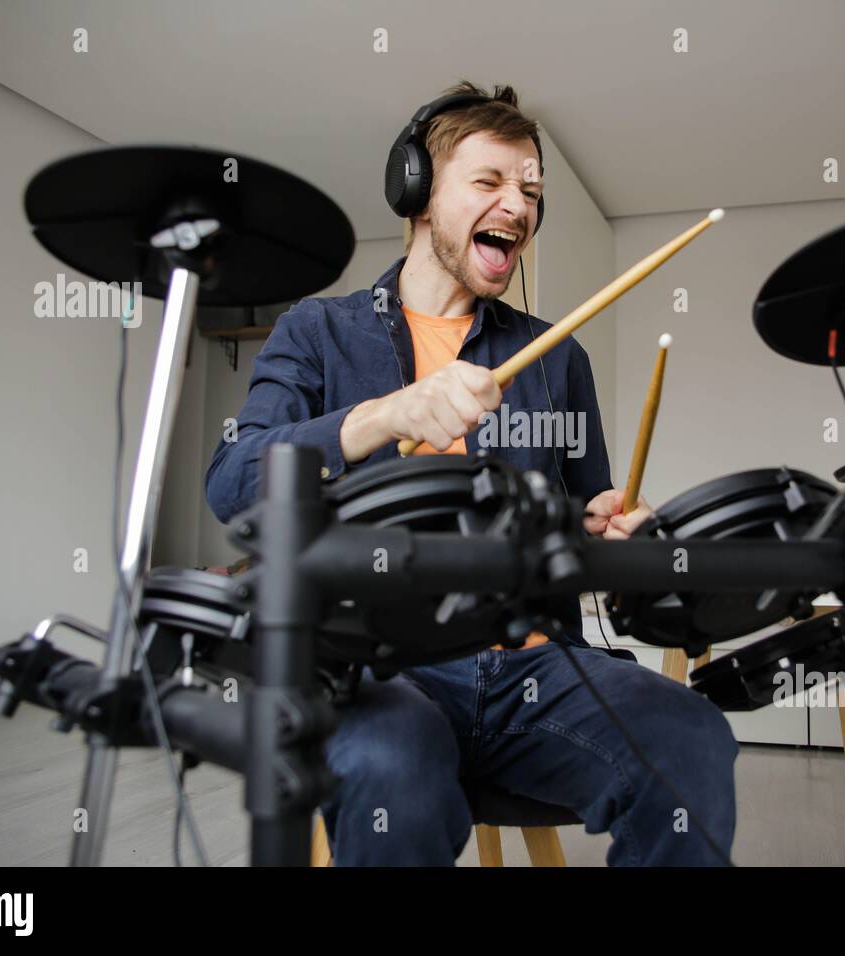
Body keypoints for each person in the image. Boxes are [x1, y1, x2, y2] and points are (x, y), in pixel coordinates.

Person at [205, 80, 737, 865]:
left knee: (689, 738)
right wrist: (386, 415)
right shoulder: (316, 331)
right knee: (394, 771)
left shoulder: (558, 356)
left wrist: (620, 531)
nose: (517, 206)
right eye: (488, 182)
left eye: (530, 190)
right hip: (382, 669)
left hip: (534, 665)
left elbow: (589, 508)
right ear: (417, 193)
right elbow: (233, 482)